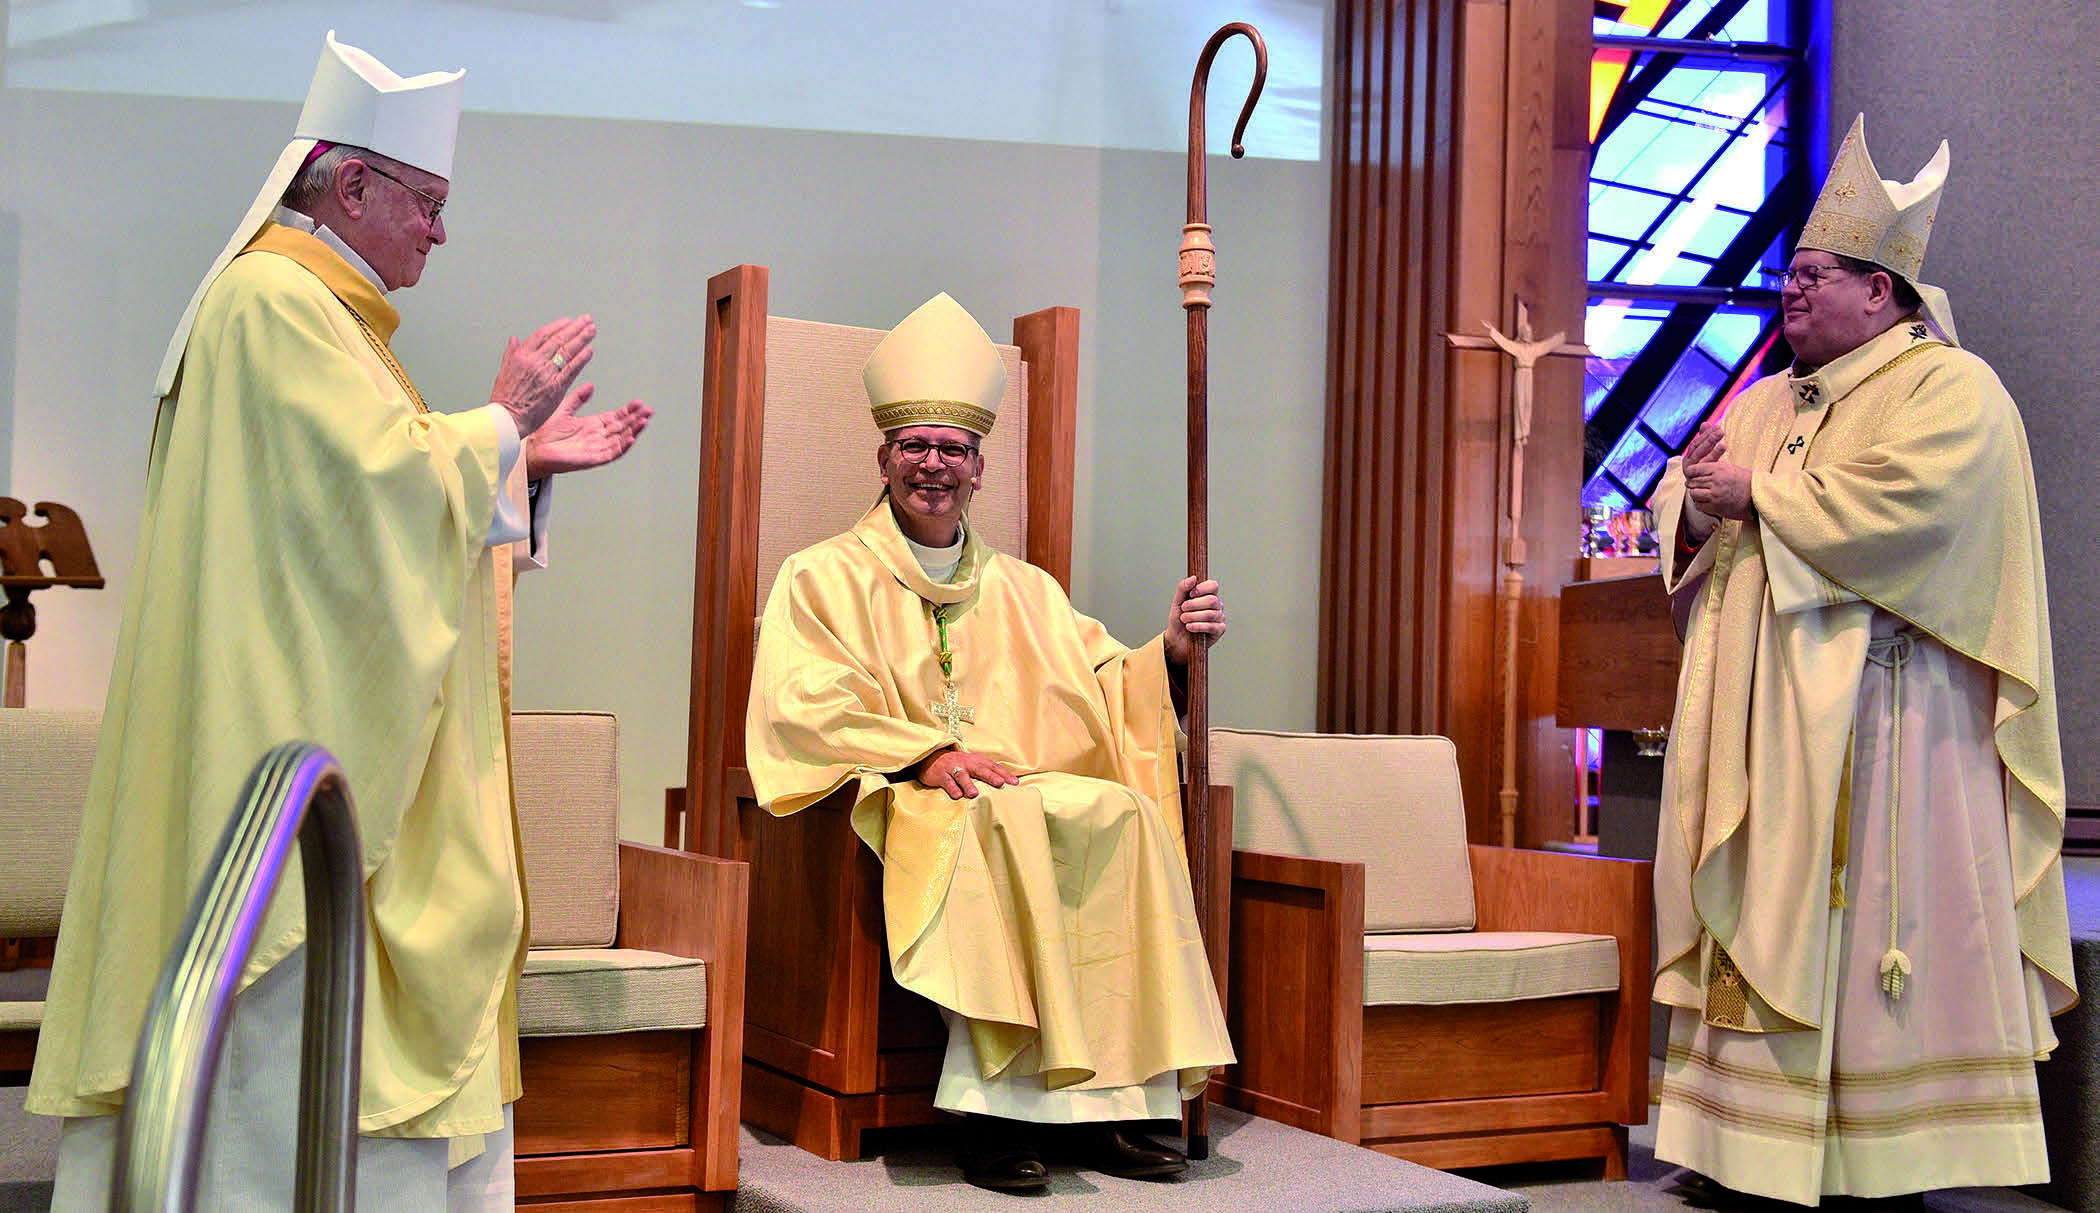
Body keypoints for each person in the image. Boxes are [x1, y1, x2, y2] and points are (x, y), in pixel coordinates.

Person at [27, 31, 651, 1210]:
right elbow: (367, 508)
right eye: (430, 203)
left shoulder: (322, 317)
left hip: (308, 736)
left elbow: (367, 497)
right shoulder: (273, 302)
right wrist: (502, 422)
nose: (441, 234)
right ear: (353, 183)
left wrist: (520, 460)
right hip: (281, 763)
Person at [1647, 114, 2073, 1206]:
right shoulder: (1767, 400)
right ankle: (1748, 1152)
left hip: (1892, 728)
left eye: (1812, 276)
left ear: (1881, 291)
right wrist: (1693, 509)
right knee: (1757, 913)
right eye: (1788, 276)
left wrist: (1757, 496)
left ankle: (1881, 1160)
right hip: (1765, 726)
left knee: (1873, 923)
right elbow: (1693, 509)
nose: (1789, 292)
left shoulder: (1954, 392)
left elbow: (1916, 507)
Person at [745, 292, 1236, 1192]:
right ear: (884, 458)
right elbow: (801, 698)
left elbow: (1100, 679)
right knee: (993, 818)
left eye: (953, 449)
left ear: (979, 467)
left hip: (1014, 781)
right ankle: (991, 1111)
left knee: (1123, 813)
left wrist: (1169, 651)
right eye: (915, 446)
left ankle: (1117, 1101)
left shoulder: (1025, 588)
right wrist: (927, 753)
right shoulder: (819, 575)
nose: (933, 464)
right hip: (907, 791)